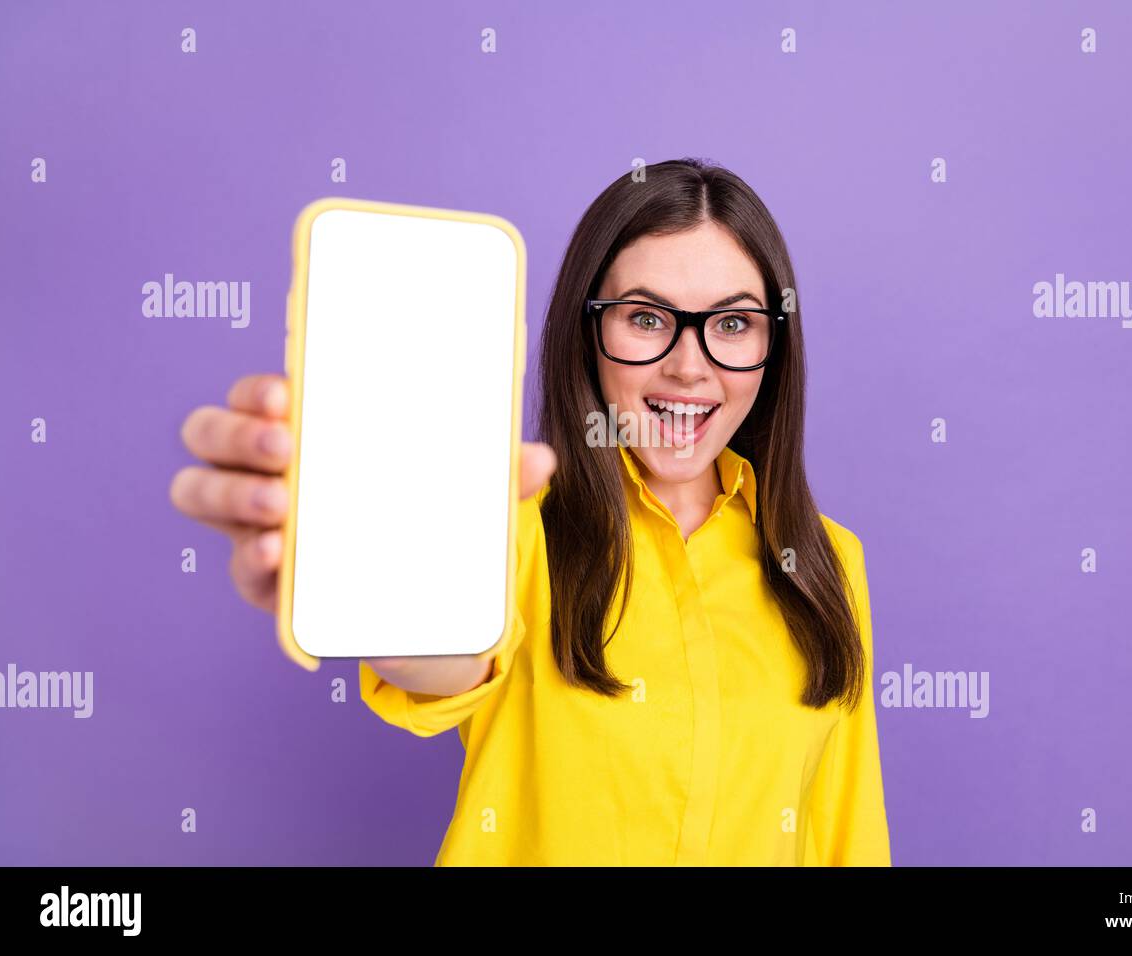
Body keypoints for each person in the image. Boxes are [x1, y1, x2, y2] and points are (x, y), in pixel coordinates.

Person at [170, 158, 891, 866]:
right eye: (646, 318)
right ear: (587, 334)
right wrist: (362, 541)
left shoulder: (828, 562)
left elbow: (845, 837)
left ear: (773, 346)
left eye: (732, 324)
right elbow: (437, 656)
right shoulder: (512, 531)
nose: (690, 367)